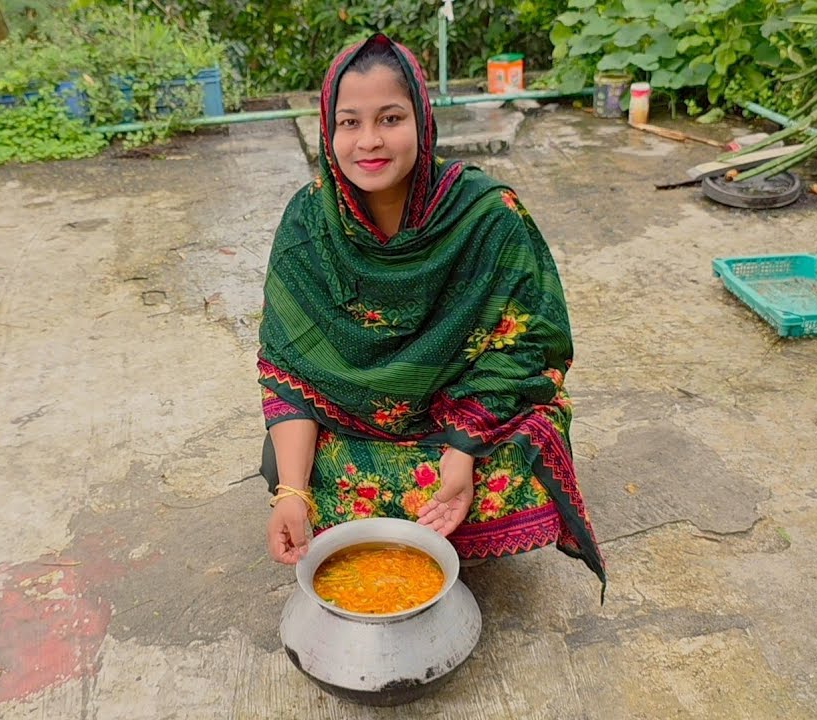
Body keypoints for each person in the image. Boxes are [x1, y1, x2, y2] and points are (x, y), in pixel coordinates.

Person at [257, 33, 604, 595]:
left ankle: (446, 497)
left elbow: (530, 346)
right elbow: (290, 371)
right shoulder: (309, 224)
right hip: (355, 423)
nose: (369, 140)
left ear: (423, 119)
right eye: (349, 123)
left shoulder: (488, 216)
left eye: (390, 118)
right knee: (300, 466)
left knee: (532, 443)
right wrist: (292, 494)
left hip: (466, 423)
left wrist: (463, 448)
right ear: (328, 128)